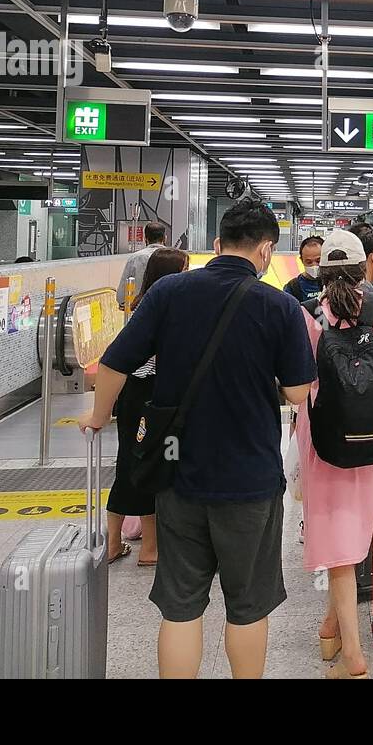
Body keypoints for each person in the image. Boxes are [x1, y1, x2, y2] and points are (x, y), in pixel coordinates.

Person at [81, 202, 315, 680]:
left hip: (178, 472)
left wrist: (99, 415)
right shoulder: (279, 305)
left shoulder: (169, 291)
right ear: (266, 249)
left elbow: (113, 363)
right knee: (248, 606)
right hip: (249, 478)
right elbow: (295, 392)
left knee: (181, 607)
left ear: (217, 245)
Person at [295, 230, 373, 678]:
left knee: (338, 549)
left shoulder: (309, 314)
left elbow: (294, 382)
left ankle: (352, 658)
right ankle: (332, 626)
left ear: (321, 272)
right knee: (350, 538)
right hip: (371, 438)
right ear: (362, 268)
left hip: (323, 439)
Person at [105, 246, 188, 567]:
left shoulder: (141, 305)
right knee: (156, 464)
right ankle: (150, 547)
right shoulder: (169, 307)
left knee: (128, 461)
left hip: (132, 395)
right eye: (183, 270)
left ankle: (113, 541)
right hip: (154, 396)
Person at [116, 220, 167, 308]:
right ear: (164, 238)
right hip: (167, 314)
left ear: (145, 238)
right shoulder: (175, 258)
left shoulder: (135, 258)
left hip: (140, 312)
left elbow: (121, 296)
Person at [284, 235, 324, 302]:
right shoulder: (292, 287)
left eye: (318, 261)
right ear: (301, 260)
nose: (314, 265)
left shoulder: (334, 284)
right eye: (309, 262)